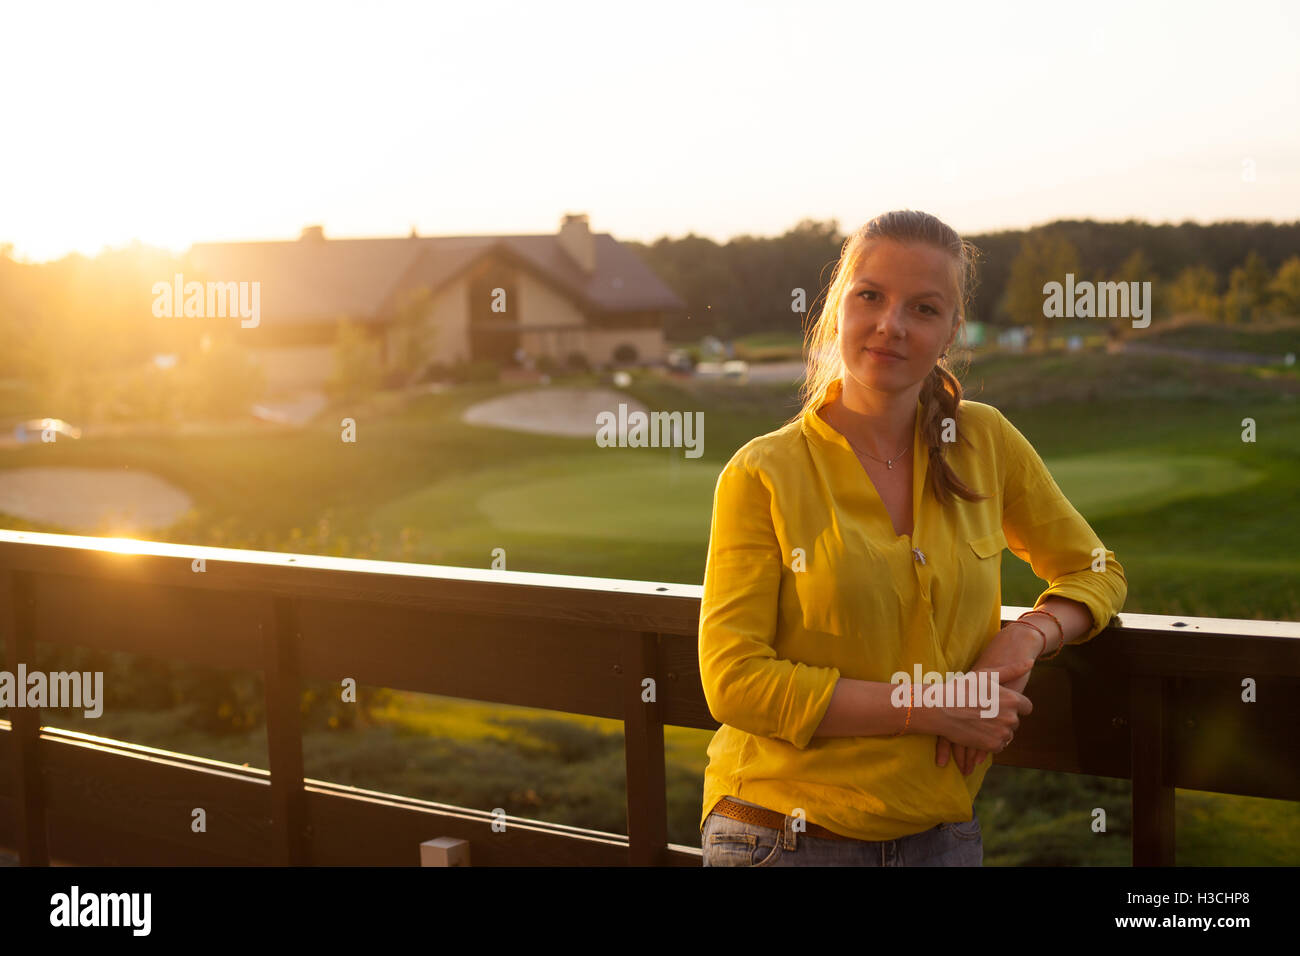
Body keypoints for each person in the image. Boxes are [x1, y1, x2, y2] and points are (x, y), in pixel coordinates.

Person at [698, 210, 1127, 866]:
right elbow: (734, 680)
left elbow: (1096, 569)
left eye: (923, 308)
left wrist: (1027, 634)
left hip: (941, 839)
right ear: (837, 306)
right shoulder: (764, 472)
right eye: (870, 296)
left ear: (952, 329)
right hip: (781, 834)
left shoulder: (985, 441)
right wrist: (928, 706)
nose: (890, 326)